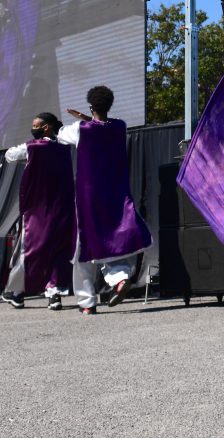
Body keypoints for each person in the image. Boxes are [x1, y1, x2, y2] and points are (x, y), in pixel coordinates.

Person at [59, 85, 152, 315]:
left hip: (88, 195)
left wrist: (83, 120)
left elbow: (61, 135)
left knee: (83, 246)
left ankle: (87, 303)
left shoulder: (80, 129)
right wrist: (88, 118)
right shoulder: (120, 127)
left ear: (91, 106)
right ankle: (119, 278)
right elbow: (103, 125)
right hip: (115, 191)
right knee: (109, 240)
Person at [1, 112, 75, 311]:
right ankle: (54, 294)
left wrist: (28, 160)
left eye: (36, 125)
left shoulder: (32, 148)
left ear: (46, 127)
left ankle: (16, 292)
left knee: (29, 251)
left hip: (37, 211)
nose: (32, 127)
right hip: (62, 210)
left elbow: (9, 155)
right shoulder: (64, 148)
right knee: (58, 252)